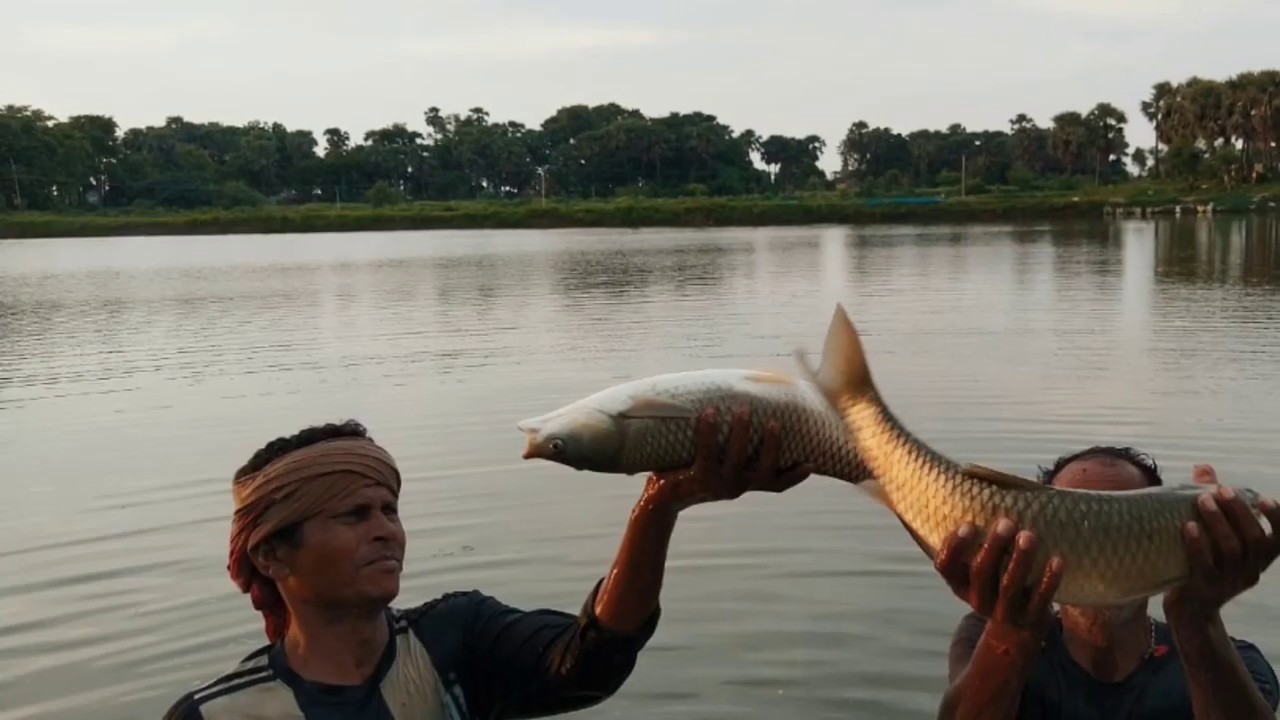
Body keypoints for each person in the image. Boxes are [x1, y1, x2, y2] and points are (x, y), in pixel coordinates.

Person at [163, 407, 812, 720]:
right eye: (354, 516)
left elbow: (591, 663)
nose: (386, 530)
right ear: (272, 553)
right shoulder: (217, 716)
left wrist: (661, 503)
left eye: (389, 509)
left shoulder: (457, 639)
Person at [935, 445, 1280, 720]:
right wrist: (1014, 632)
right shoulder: (981, 635)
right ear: (1032, 539)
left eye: (1127, 529)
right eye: (1069, 527)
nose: (1095, 547)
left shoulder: (1240, 662)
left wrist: (1196, 620)